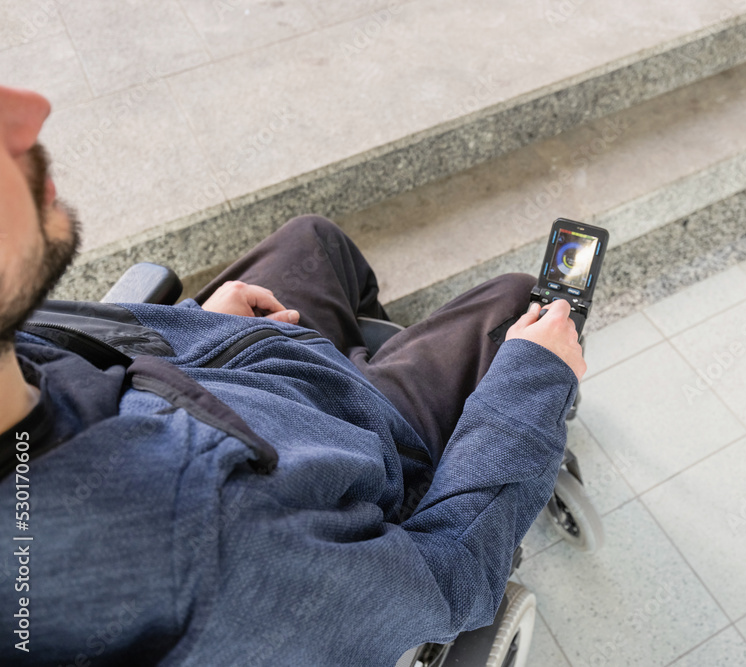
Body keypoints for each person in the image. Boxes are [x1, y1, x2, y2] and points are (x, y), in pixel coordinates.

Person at [0, 85, 586, 665]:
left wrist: (195, 328)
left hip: (242, 367)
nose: (31, 110)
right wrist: (531, 384)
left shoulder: (18, 344)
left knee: (314, 240)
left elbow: (99, 365)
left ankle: (385, 356)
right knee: (521, 304)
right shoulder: (202, 538)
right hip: (369, 457)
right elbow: (449, 579)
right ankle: (467, 401)